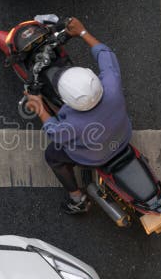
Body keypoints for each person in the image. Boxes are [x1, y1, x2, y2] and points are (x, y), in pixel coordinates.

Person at [25, 17, 132, 214]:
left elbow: (53, 131)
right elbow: (105, 54)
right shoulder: (111, 84)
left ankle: (77, 199)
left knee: (52, 157)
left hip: (94, 157)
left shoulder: (71, 125)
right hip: (123, 136)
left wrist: (39, 108)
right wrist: (82, 32)